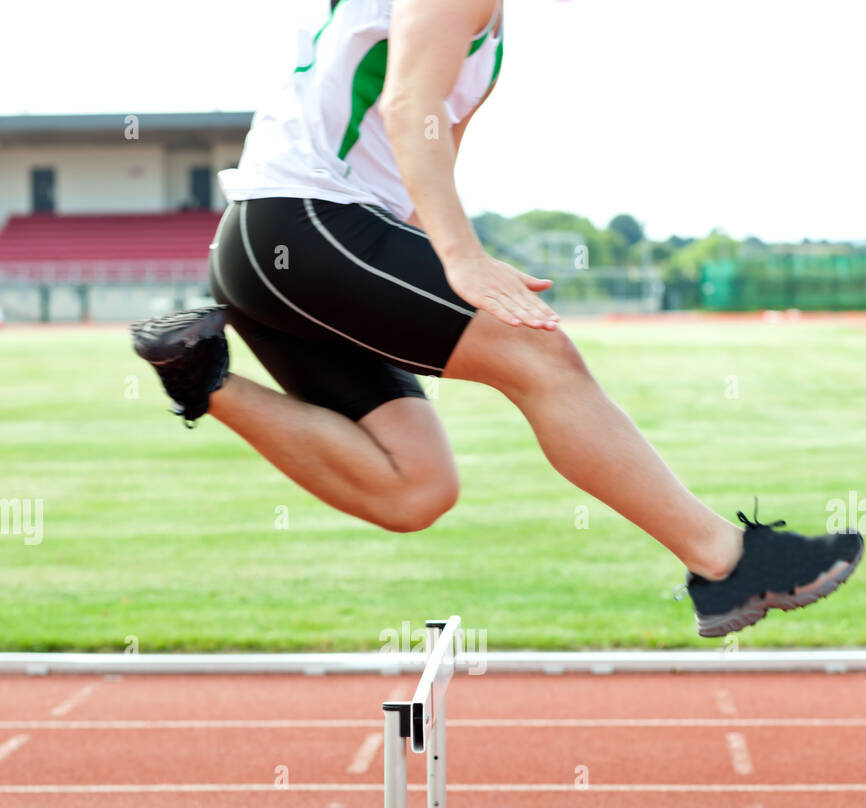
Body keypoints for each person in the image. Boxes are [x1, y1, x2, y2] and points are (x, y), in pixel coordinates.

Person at [131, 0, 862, 638]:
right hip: (305, 228)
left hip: (283, 243)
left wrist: (436, 252)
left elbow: (429, 144)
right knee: (544, 359)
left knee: (416, 489)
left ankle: (200, 372)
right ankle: (729, 564)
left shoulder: (489, 20)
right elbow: (407, 103)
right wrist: (459, 255)